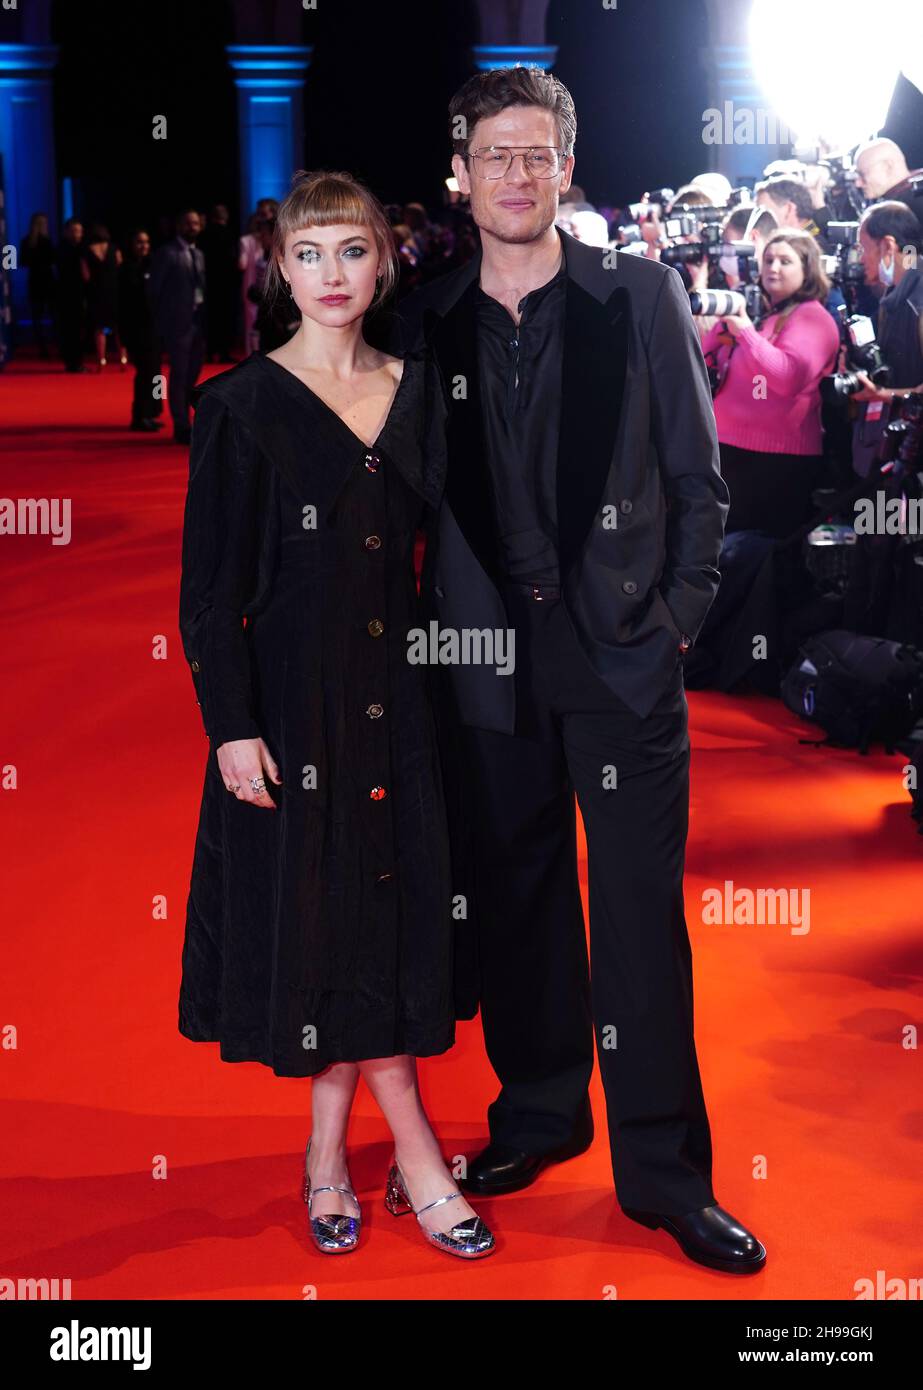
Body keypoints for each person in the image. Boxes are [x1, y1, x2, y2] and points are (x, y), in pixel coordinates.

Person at [391, 64, 765, 1274]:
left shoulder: (640, 295)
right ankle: (539, 1115)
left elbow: (701, 479)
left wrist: (675, 619)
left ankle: (663, 1175)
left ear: (564, 165)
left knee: (639, 925)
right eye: (490, 155)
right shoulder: (426, 316)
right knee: (519, 903)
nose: (513, 175)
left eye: (533, 153)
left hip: (620, 657)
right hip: (484, 664)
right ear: (460, 172)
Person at [177, 168, 495, 1261]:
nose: (328, 274)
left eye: (349, 250)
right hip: (294, 707)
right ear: (275, 267)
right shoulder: (238, 404)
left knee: (387, 919)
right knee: (327, 918)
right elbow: (211, 594)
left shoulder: (416, 388)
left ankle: (325, 1149)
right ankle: (413, 1145)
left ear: (383, 261)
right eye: (306, 253)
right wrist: (230, 723)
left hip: (404, 695)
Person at [700, 228, 841, 537]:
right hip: (728, 450)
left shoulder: (813, 318)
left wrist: (745, 333)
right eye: (768, 260)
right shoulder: (760, 314)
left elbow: (787, 378)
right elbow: (703, 360)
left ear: (807, 270)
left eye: (785, 261)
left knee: (763, 559)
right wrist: (724, 328)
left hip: (777, 460)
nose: (773, 268)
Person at [147, 208, 207, 444]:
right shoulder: (167, 254)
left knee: (192, 375)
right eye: (189, 223)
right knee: (179, 376)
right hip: (176, 325)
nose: (193, 227)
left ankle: (185, 419)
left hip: (198, 324)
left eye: (196, 223)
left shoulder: (199, 254)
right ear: (179, 226)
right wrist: (162, 324)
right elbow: (154, 292)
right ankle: (181, 425)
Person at [117, 228, 164, 432]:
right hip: (137, 329)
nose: (143, 246)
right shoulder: (126, 269)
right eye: (139, 242)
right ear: (131, 244)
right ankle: (140, 415)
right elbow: (123, 303)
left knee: (156, 373)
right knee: (144, 373)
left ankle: (154, 411)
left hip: (155, 327)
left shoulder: (154, 266)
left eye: (146, 242)